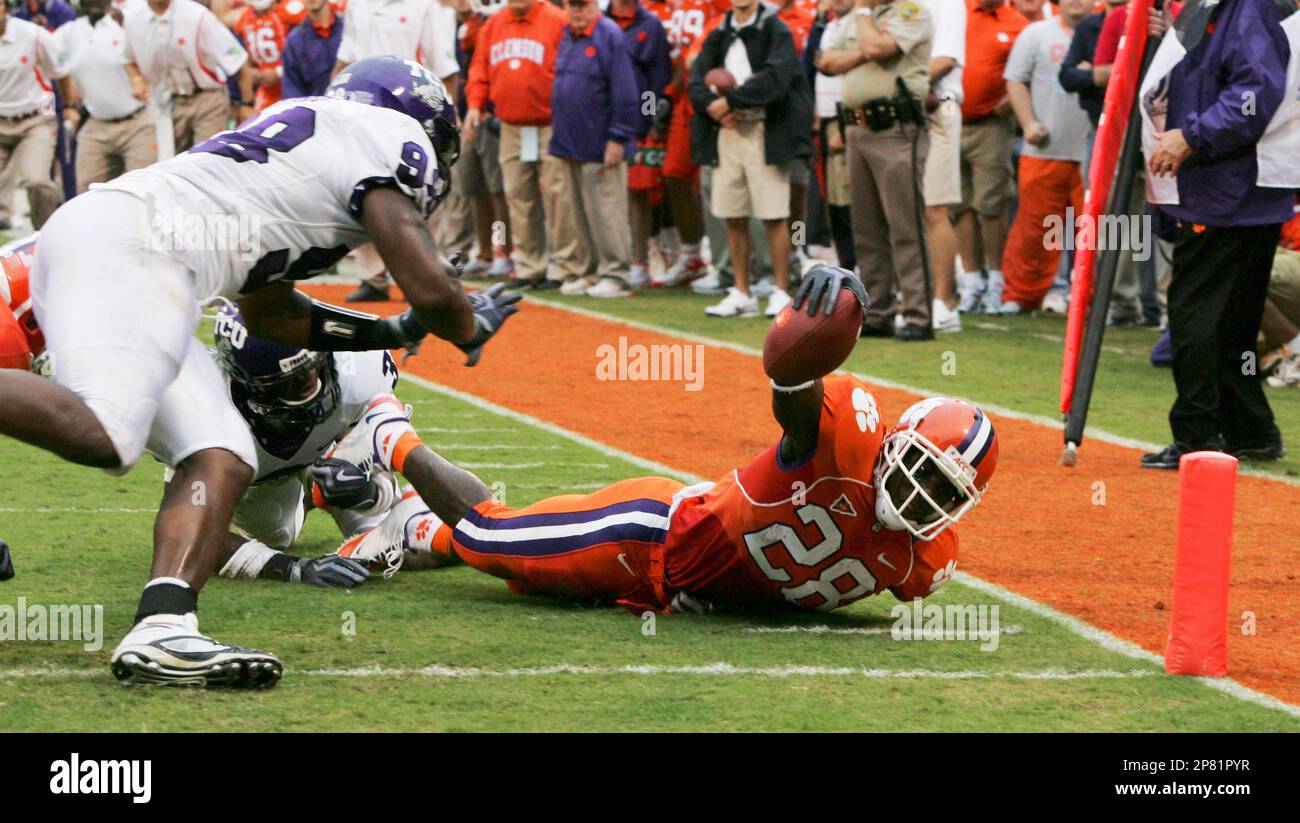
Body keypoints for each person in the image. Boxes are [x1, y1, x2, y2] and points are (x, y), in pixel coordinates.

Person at [0, 57, 521, 688]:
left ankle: (164, 629)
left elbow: (271, 310)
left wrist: (389, 331)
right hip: (137, 248)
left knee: (220, 452)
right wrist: (464, 323)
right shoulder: (389, 136)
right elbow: (432, 287)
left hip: (126, 241)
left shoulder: (299, 141)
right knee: (106, 433)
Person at [323, 265, 999, 615]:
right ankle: (387, 426)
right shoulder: (844, 436)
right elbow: (791, 389)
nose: (924, 492)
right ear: (894, 442)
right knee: (491, 541)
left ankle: (413, 528)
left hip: (678, 593)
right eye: (923, 468)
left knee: (517, 576)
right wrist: (821, 327)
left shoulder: (924, 559)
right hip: (651, 535)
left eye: (945, 488)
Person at [1139, 0, 1295, 467]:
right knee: (1233, 325)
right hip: (1250, 191)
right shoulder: (1228, 10)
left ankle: (1199, 436)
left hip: (1224, 191)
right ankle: (1251, 431)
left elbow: (1254, 92)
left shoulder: (1245, 9)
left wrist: (1192, 135)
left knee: (1195, 319)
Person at [688, 0, 813, 318]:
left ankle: (781, 290)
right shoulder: (718, 32)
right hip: (727, 131)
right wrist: (715, 108)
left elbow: (778, 79)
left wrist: (729, 100)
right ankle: (741, 291)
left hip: (766, 129)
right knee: (733, 215)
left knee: (774, 215)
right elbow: (695, 81)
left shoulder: (776, 28)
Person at [819, 0, 934, 340]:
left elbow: (876, 46)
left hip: (896, 129)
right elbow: (826, 61)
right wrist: (863, 53)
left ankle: (918, 315)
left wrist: (865, 20)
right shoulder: (858, 17)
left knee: (905, 225)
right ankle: (878, 311)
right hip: (857, 129)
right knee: (866, 229)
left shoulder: (910, 12)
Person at [332, 0, 461, 302]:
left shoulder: (426, 7)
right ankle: (372, 277)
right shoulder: (357, 4)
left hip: (410, 108)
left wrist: (448, 118)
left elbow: (446, 68)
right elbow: (345, 57)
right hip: (360, 107)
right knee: (362, 186)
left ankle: (427, 274)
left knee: (419, 190)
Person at [464, 0, 576, 290]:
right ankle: (529, 265)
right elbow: (479, 69)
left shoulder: (557, 20)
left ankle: (564, 266)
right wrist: (476, 104)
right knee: (518, 195)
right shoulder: (494, 23)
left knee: (558, 196)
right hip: (511, 125)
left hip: (551, 123)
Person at [998, 0, 1090, 313]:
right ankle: (1021, 295)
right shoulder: (1036, 33)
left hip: (1092, 154)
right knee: (1033, 229)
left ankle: (1095, 299)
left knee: (1096, 234)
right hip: (1044, 149)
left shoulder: (1105, 32)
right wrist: (1027, 123)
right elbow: (1015, 79)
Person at [550, 0, 642, 298]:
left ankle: (615, 274)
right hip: (571, 141)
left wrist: (619, 137)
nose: (576, 10)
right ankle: (588, 272)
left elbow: (626, 90)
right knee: (579, 212)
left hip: (601, 142)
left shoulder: (609, 34)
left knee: (607, 211)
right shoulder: (567, 34)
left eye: (582, 4)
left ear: (594, 5)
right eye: (571, 5)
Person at [952, 0, 1028, 314]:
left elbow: (1027, 73)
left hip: (991, 125)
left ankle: (997, 281)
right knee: (959, 207)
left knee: (991, 203)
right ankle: (971, 282)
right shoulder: (957, 12)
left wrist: (1010, 102)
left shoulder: (1017, 24)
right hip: (951, 120)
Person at [122, 0, 254, 155]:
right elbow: (126, 59)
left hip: (207, 98)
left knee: (205, 159)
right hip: (167, 102)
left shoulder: (197, 15)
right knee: (177, 165)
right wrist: (136, 80)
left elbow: (238, 62)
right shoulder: (133, 18)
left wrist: (247, 104)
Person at [58, 0, 157, 193]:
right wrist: (67, 105)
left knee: (141, 190)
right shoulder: (69, 32)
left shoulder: (124, 22)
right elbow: (51, 67)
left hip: (136, 122)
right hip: (96, 123)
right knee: (85, 191)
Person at [608, 0, 672, 289]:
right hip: (602, 119)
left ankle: (640, 260)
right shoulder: (600, 19)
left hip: (636, 123)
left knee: (639, 192)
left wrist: (647, 120)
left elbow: (656, 80)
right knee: (607, 194)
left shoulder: (651, 25)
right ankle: (610, 258)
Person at [0, 1, 74, 229]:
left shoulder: (33, 35)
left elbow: (61, 72)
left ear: (5, 8)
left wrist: (69, 107)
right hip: (2, 119)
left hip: (36, 118)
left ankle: (44, 234)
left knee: (37, 181)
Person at [919, 0, 967, 333]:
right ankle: (917, 297)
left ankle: (944, 301)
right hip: (905, 111)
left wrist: (901, 84)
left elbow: (945, 60)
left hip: (940, 108)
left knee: (936, 207)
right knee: (912, 209)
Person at [233, 0, 308, 112]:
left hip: (296, 84)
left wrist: (278, 72)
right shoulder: (245, 18)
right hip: (267, 91)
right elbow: (249, 58)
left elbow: (309, 52)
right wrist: (252, 71)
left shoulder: (290, 10)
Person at [281, 0, 345, 98]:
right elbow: (291, 87)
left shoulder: (348, 30)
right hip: (317, 110)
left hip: (352, 105)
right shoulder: (295, 40)